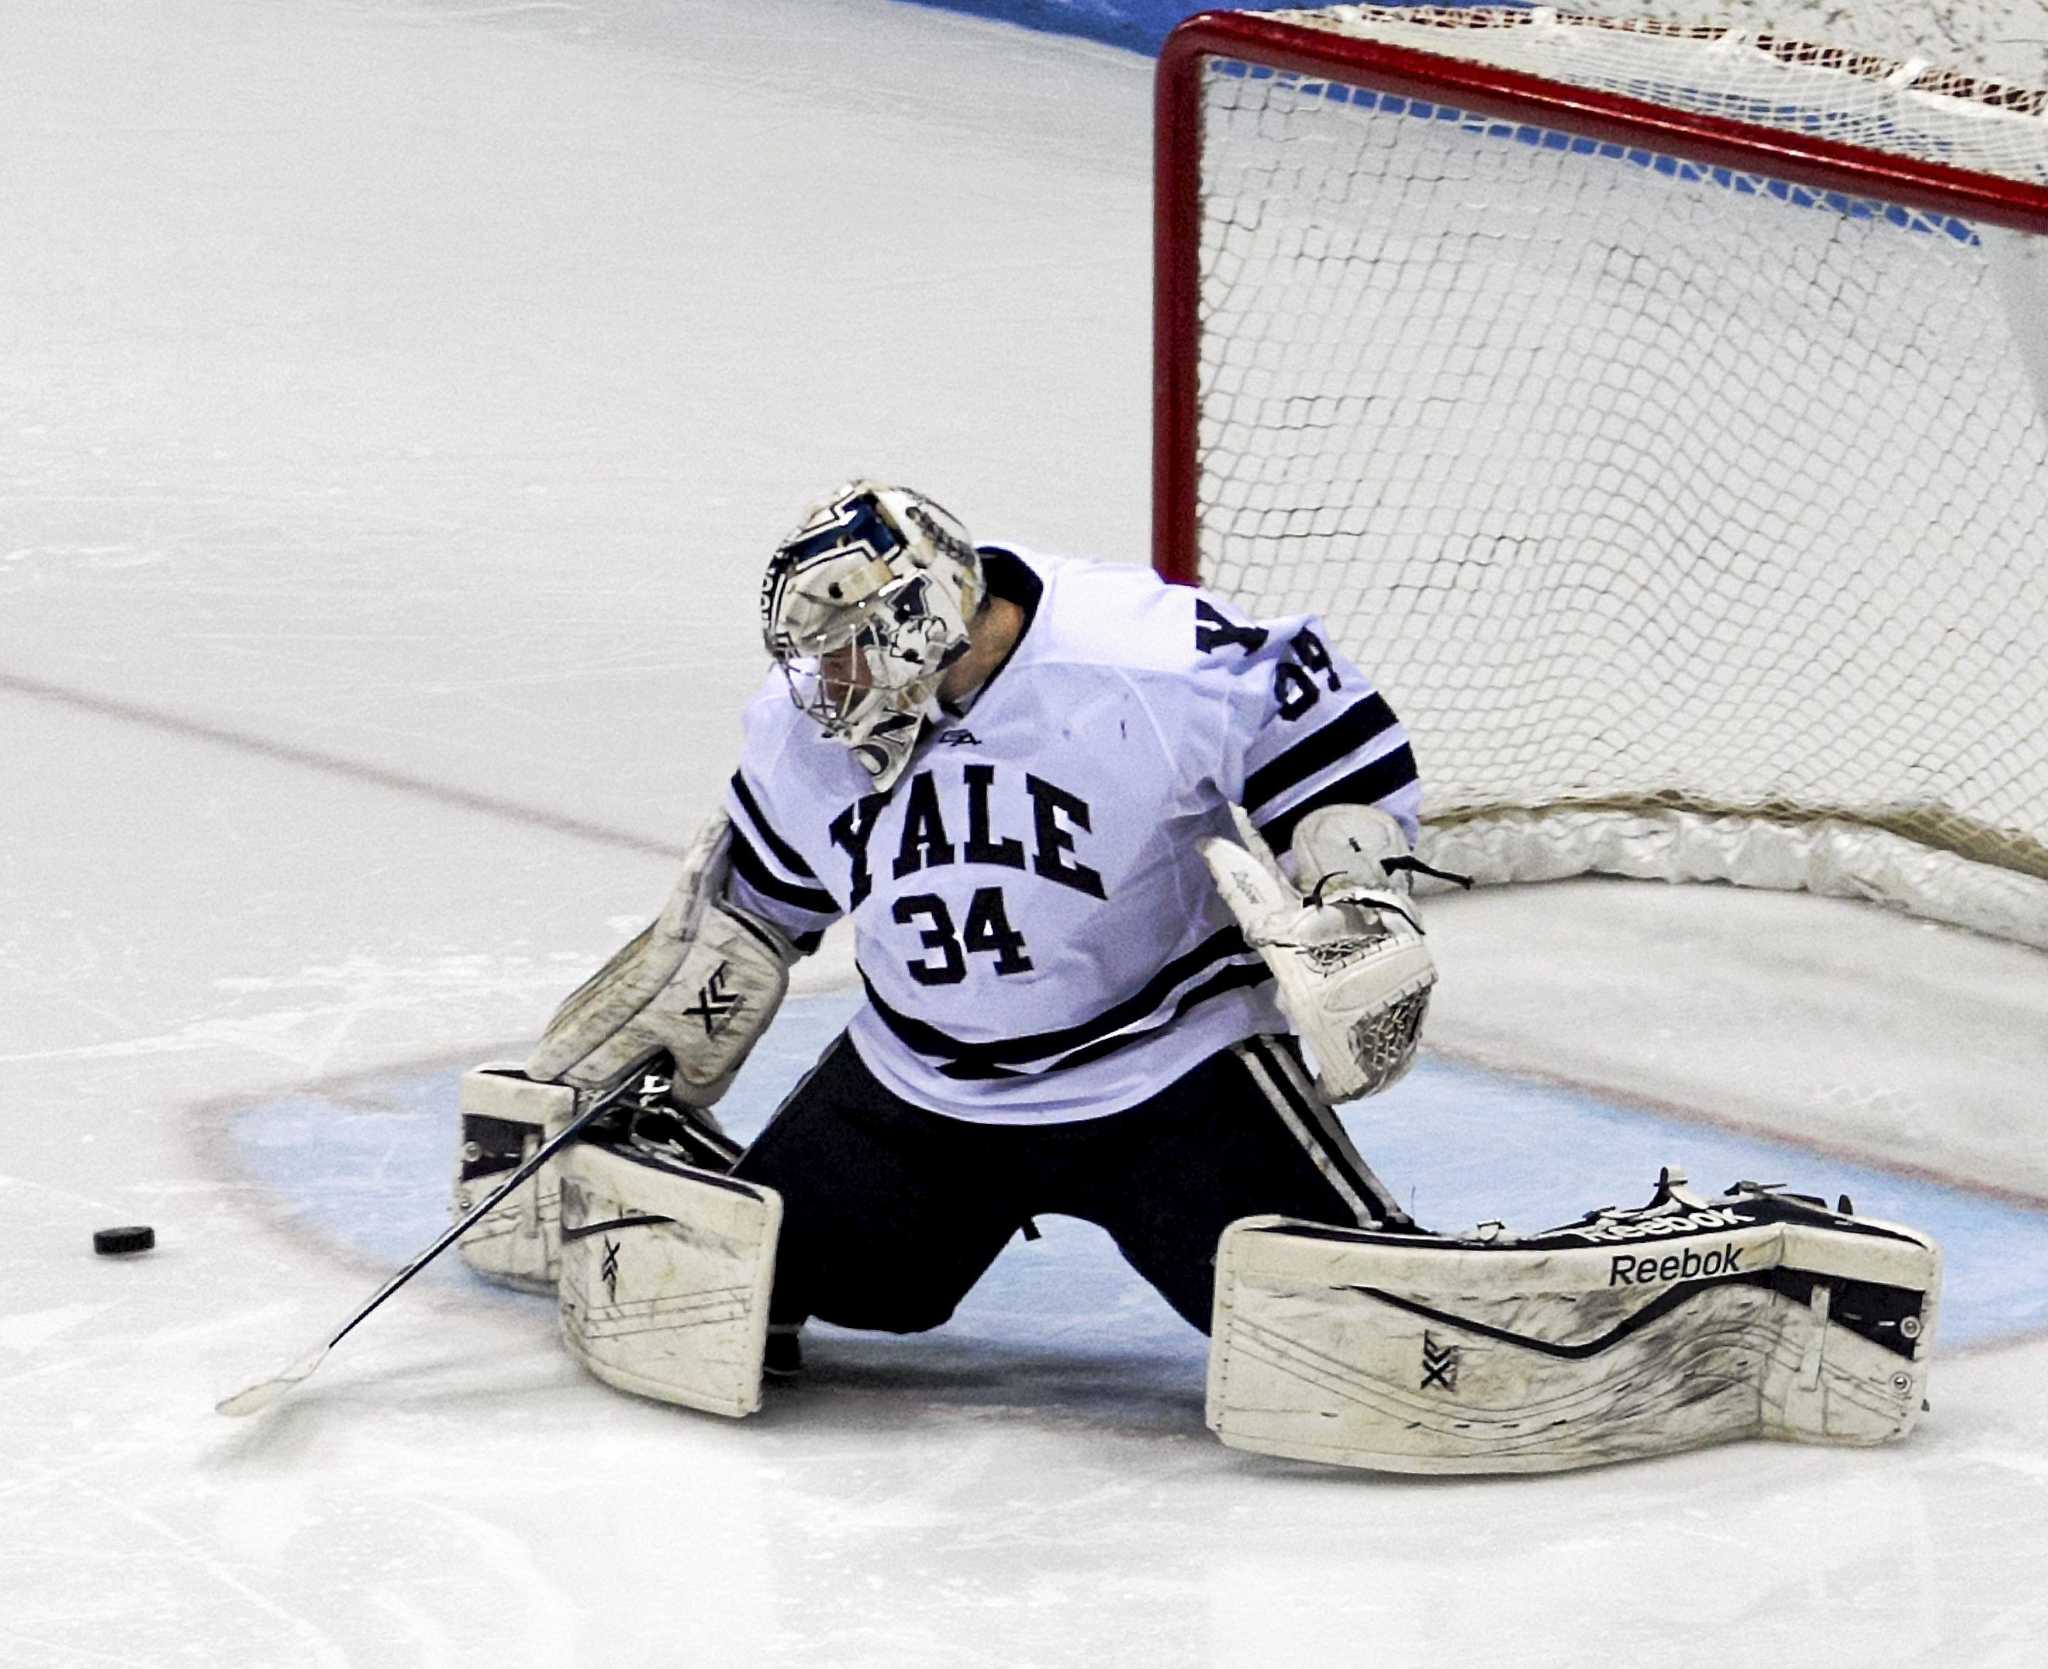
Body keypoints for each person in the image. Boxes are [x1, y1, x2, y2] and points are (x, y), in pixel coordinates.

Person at [456, 479, 1942, 1473]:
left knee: (1384, 1346)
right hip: (917, 1094)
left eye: (846, 652)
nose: (821, 690)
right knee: (712, 1296)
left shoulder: (1146, 658)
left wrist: (1352, 894)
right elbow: (743, 933)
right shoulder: (806, 738)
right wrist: (600, 1089)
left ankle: (1742, 1260)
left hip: (1168, 1077)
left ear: (917, 616)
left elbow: (1337, 739)